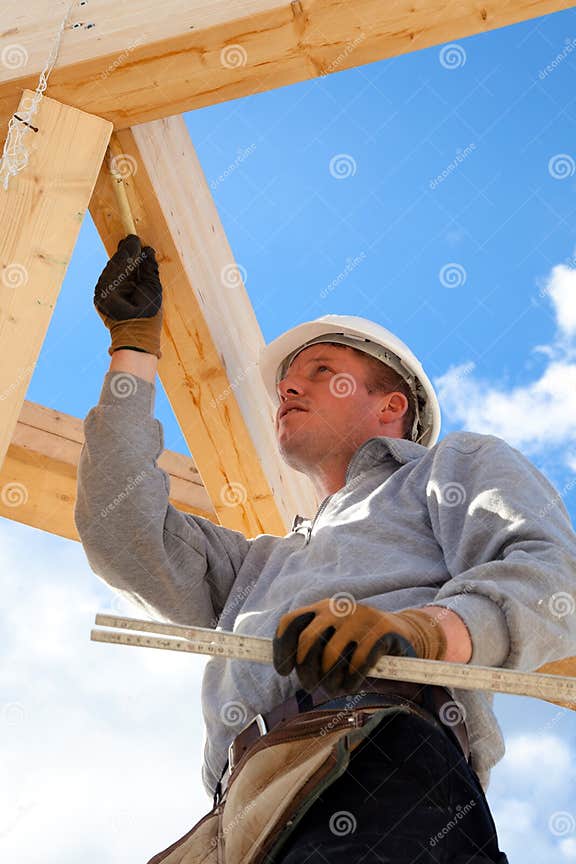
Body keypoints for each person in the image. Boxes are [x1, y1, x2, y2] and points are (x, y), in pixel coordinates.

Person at [75, 234, 576, 863]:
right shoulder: (259, 565)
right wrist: (133, 349)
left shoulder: (451, 466)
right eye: (286, 381)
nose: (289, 387)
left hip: (375, 757)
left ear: (391, 405)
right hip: (240, 811)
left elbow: (553, 579)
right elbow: (121, 531)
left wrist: (419, 632)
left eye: (321, 371)